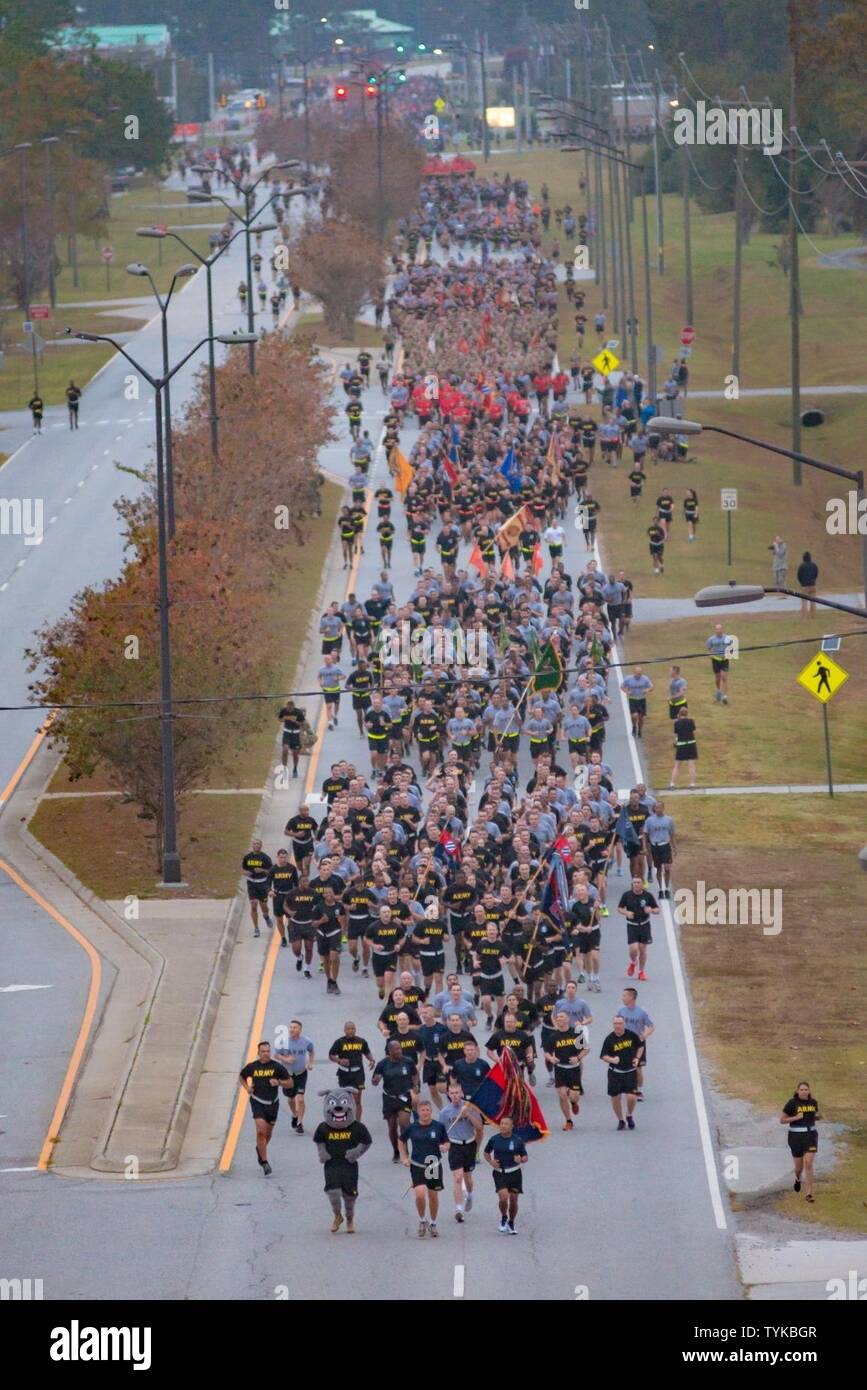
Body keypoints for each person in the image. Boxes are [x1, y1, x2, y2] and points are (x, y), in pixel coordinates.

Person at [313, 1088, 373, 1234]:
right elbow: (319, 1141)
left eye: (344, 1102)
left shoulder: (357, 1127)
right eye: (333, 1103)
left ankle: (350, 1219)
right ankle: (337, 1216)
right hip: (331, 1165)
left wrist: (356, 1153)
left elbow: (367, 1142)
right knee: (332, 1192)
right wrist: (322, 1152)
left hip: (349, 1166)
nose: (338, 1107)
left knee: (349, 1195)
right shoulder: (323, 1127)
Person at [239, 1041, 292, 1175]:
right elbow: (241, 1076)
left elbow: (290, 1083)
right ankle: (265, 1162)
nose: (266, 1053)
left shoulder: (277, 1067)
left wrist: (279, 1082)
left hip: (273, 1104)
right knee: (261, 1131)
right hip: (257, 1102)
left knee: (268, 1134)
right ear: (258, 1053)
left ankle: (260, 1151)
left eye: (268, 1051)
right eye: (263, 1051)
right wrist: (247, 1088)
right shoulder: (252, 1067)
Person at [399, 1099, 450, 1238]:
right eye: (423, 1110)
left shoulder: (438, 1126)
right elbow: (401, 1140)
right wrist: (404, 1157)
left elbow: (446, 1142)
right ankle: (422, 1220)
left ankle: (433, 1223)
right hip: (417, 1165)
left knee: (433, 1196)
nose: (425, 1112)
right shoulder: (412, 1127)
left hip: (433, 1164)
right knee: (420, 1194)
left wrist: (445, 1147)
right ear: (418, 1112)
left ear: (431, 1111)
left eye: (428, 1110)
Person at [439, 1080, 483, 1222]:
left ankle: (469, 1194)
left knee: (468, 1178)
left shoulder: (470, 1107)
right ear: (448, 1095)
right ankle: (458, 1209)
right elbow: (441, 1132)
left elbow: (479, 1126)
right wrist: (443, 1144)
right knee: (458, 1177)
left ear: (461, 1093)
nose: (455, 1096)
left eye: (457, 1093)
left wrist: (468, 1115)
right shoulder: (445, 1112)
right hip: (455, 1146)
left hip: (469, 1144)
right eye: (452, 1093)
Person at [372, 1038, 417, 1162]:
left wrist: (415, 1087)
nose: (400, 1051)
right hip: (389, 1098)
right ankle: (396, 1151)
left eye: (400, 1048)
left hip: (404, 1097)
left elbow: (415, 1075)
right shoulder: (382, 1064)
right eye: (397, 1049)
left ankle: (405, 1149)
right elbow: (374, 1081)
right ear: (390, 1051)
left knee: (404, 1123)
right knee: (392, 1127)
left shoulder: (408, 1061)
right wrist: (376, 1080)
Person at [483, 1115, 528, 1234]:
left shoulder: (517, 1140)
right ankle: (503, 1217)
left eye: (506, 1124)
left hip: (514, 1173)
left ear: (512, 1126)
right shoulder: (494, 1139)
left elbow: (525, 1156)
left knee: (513, 1200)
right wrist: (491, 1162)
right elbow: (486, 1152)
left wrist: (521, 1160)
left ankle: (511, 1222)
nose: (503, 1126)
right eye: (501, 1123)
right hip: (500, 1173)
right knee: (503, 1197)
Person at [545, 1010, 588, 1130]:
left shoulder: (575, 1033)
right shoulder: (553, 1037)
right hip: (560, 1069)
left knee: (574, 1096)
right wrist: (551, 1058)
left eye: (562, 1017)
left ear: (567, 1019)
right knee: (562, 1095)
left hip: (574, 1070)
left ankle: (574, 1103)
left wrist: (578, 1058)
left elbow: (586, 1049)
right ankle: (568, 1121)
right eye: (557, 1017)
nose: (559, 1019)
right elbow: (547, 1053)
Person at [599, 1015, 644, 1130]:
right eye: (615, 1024)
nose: (618, 1026)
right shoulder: (609, 1039)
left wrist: (637, 1058)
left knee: (631, 1097)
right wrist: (612, 1060)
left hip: (630, 1071)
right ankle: (620, 1120)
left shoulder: (631, 1035)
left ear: (624, 1024)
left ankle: (629, 1115)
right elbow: (603, 1056)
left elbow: (640, 1046)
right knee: (615, 1098)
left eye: (620, 1023)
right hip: (615, 1073)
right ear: (613, 1025)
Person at [780, 1081, 821, 1202]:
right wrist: (796, 1118)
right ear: (797, 1091)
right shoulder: (792, 1103)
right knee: (799, 1168)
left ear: (809, 1091)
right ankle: (798, 1179)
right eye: (801, 1089)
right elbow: (782, 1120)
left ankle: (809, 1193)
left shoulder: (813, 1102)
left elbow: (815, 1116)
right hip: (795, 1136)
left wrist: (818, 1116)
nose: (803, 1091)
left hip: (810, 1135)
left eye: (806, 1089)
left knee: (808, 1162)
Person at [274, 1020, 315, 1134]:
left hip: (301, 1073)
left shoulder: (306, 1041)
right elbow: (276, 1054)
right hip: (287, 1075)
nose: (292, 1029)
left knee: (300, 1099)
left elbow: (311, 1051)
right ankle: (295, 1114)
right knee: (291, 1098)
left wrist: (310, 1063)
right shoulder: (283, 1041)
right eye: (290, 1027)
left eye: (295, 1027)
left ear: (300, 1030)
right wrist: (286, 1059)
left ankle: (300, 1123)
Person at [617, 874, 660, 981]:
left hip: (644, 925)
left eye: (638, 882)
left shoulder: (648, 896)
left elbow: (657, 910)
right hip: (632, 925)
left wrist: (651, 910)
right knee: (633, 949)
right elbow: (619, 908)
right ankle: (633, 962)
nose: (636, 884)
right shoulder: (627, 895)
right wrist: (626, 912)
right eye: (634, 883)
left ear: (642, 884)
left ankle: (641, 971)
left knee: (642, 949)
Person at [328, 1022, 375, 1118]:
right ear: (345, 1030)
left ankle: (357, 1123)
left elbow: (367, 1052)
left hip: (358, 1074)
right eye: (348, 1029)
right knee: (346, 1098)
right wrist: (339, 1060)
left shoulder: (361, 1041)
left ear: (355, 1029)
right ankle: (346, 1119)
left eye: (352, 1028)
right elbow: (331, 1055)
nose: (351, 1030)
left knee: (357, 1100)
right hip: (344, 1074)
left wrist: (371, 1060)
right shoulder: (339, 1042)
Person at [616, 987, 654, 1100]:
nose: (622, 998)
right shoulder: (621, 1011)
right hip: (623, 1043)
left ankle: (638, 1090)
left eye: (624, 996)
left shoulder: (641, 1012)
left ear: (631, 997)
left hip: (637, 1044)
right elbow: (617, 1024)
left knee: (637, 1067)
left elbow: (651, 1026)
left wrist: (644, 1035)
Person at [643, 799, 676, 898]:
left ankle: (667, 889)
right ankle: (661, 889)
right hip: (655, 846)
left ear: (663, 808)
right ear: (654, 809)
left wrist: (674, 847)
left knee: (667, 868)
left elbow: (672, 833)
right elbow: (645, 834)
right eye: (656, 808)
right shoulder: (649, 820)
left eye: (660, 807)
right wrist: (645, 846)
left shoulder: (669, 820)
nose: (658, 809)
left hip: (665, 845)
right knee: (658, 869)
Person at [242, 838, 273, 937]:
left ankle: (267, 917)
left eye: (258, 844)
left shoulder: (265, 858)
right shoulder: (247, 857)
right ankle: (256, 928)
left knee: (264, 907)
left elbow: (271, 871)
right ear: (252, 845)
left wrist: (262, 870)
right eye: (254, 844)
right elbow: (243, 869)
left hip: (263, 884)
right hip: (252, 884)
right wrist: (245, 872)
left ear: (261, 845)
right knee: (253, 905)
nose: (256, 845)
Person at [670, 704, 699, 789]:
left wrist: (675, 743)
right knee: (691, 765)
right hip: (691, 744)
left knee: (677, 766)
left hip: (681, 745)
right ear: (687, 713)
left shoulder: (677, 723)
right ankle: (692, 784)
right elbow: (693, 729)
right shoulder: (691, 721)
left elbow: (676, 735)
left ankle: (672, 784)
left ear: (679, 714)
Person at [621, 665, 653, 739]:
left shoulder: (645, 679)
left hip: (642, 699)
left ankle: (640, 730)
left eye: (640, 674)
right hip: (633, 699)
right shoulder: (628, 679)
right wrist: (627, 692)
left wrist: (647, 690)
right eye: (637, 673)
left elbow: (651, 686)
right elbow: (622, 686)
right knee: (634, 716)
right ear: (634, 672)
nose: (639, 675)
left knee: (641, 717)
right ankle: (634, 726)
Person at [277, 699, 305, 777]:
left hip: (295, 733)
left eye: (290, 708)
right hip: (287, 732)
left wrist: (295, 721)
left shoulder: (298, 712)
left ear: (293, 707)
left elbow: (302, 723)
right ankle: (284, 769)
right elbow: (279, 719)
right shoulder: (283, 711)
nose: (289, 709)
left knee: (295, 754)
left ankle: (295, 768)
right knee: (285, 749)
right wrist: (284, 719)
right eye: (288, 708)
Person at [706, 624, 731, 704]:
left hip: (724, 660)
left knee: (724, 678)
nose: (718, 631)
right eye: (717, 629)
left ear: (722, 630)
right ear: (715, 630)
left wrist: (729, 652)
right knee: (717, 679)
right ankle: (718, 693)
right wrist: (709, 654)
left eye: (720, 629)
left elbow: (731, 647)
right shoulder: (711, 639)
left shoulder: (727, 638)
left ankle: (725, 696)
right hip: (716, 660)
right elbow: (708, 649)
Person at [797, 551, 818, 615]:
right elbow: (816, 574)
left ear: (803, 558)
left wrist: (801, 583)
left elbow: (799, 576)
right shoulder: (814, 565)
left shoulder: (801, 566)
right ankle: (813, 614)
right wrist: (813, 580)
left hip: (804, 586)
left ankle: (804, 614)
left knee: (804, 601)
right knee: (813, 601)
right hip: (812, 585)